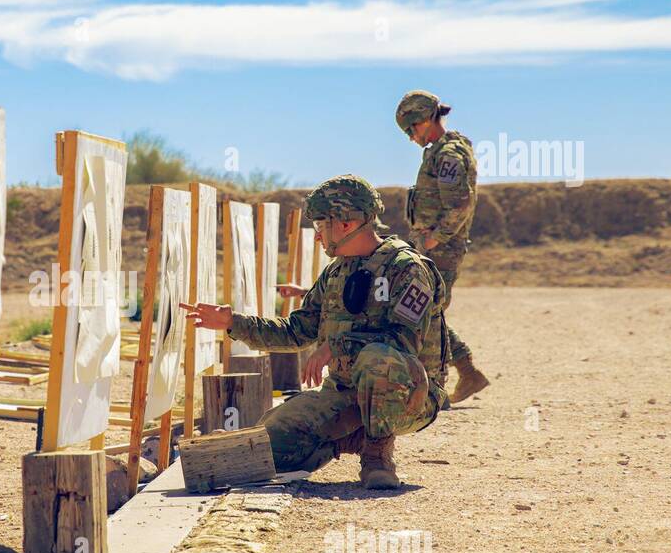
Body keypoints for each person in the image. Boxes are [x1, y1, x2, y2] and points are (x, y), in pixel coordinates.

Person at [181, 175, 448, 489]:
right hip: (346, 393)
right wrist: (232, 323)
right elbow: (296, 332)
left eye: (321, 226)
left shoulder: (407, 267)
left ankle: (378, 454)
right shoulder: (336, 272)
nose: (319, 237)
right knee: (274, 440)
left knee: (378, 358)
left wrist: (338, 346)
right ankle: (348, 437)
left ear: (346, 224)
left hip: (410, 395)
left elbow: (404, 340)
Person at [396, 89, 490, 403]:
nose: (411, 137)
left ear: (428, 119)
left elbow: (460, 204)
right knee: (423, 311)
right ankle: (466, 373)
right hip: (430, 248)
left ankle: (436, 388)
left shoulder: (449, 154)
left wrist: (435, 238)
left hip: (440, 251)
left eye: (413, 128)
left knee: (423, 313)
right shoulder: (437, 151)